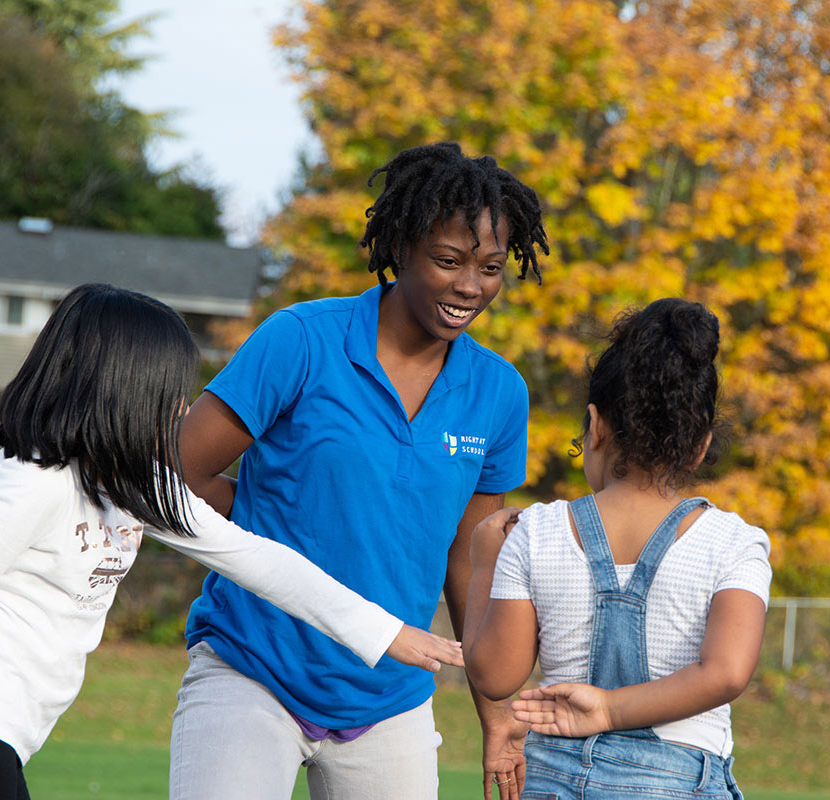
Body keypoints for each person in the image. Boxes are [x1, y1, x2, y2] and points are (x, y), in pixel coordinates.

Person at [0, 283, 463, 800]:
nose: (180, 407)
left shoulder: (132, 484)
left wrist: (382, 631)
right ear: (123, 387)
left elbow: (255, 558)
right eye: (168, 389)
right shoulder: (30, 480)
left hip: (2, 732)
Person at [169, 142, 549, 800]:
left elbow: (470, 558)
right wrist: (269, 514)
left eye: (490, 268)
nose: (470, 286)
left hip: (390, 695)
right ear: (400, 247)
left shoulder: (499, 393)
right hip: (252, 664)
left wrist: (495, 712)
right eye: (448, 260)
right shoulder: (300, 340)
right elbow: (178, 476)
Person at [463, 298, 772, 799]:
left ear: (595, 425)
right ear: (700, 444)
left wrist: (482, 564)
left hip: (552, 778)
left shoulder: (536, 530)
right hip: (676, 781)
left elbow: (494, 675)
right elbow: (727, 672)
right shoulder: (735, 542)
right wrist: (607, 709)